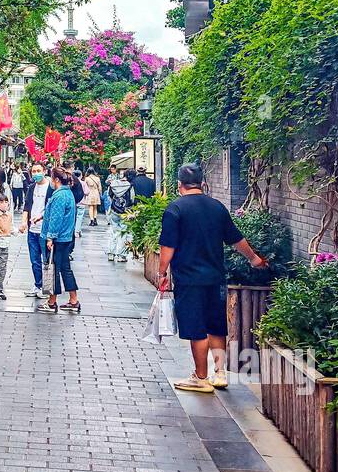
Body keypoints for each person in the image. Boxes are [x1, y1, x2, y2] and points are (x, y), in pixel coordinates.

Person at [158, 164, 267, 393]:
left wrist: (162, 273)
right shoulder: (217, 207)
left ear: (179, 185)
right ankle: (220, 373)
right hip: (216, 278)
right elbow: (236, 239)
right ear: (202, 182)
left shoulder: (175, 209)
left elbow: (168, 246)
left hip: (189, 279)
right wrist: (254, 258)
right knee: (216, 325)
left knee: (196, 327)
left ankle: (200, 378)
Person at [41, 168, 80, 313]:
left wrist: (50, 237)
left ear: (56, 180)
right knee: (65, 268)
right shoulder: (68, 193)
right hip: (66, 237)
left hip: (58, 238)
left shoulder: (59, 196)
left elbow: (56, 218)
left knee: (54, 268)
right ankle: (73, 300)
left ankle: (52, 302)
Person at [20, 162, 52, 297]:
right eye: (33, 171)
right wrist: (23, 223)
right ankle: (38, 285)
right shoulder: (31, 187)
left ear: (44, 171)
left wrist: (41, 218)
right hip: (32, 230)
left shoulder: (51, 188)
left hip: (44, 230)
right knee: (34, 260)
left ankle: (47, 289)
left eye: (39, 170)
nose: (36, 173)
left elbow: (51, 210)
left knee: (46, 261)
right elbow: (27, 207)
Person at [106, 168, 134, 262]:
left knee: (113, 231)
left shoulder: (114, 183)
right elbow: (132, 199)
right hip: (125, 212)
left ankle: (111, 253)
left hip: (114, 210)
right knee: (124, 232)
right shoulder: (130, 186)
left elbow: (109, 195)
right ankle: (122, 255)